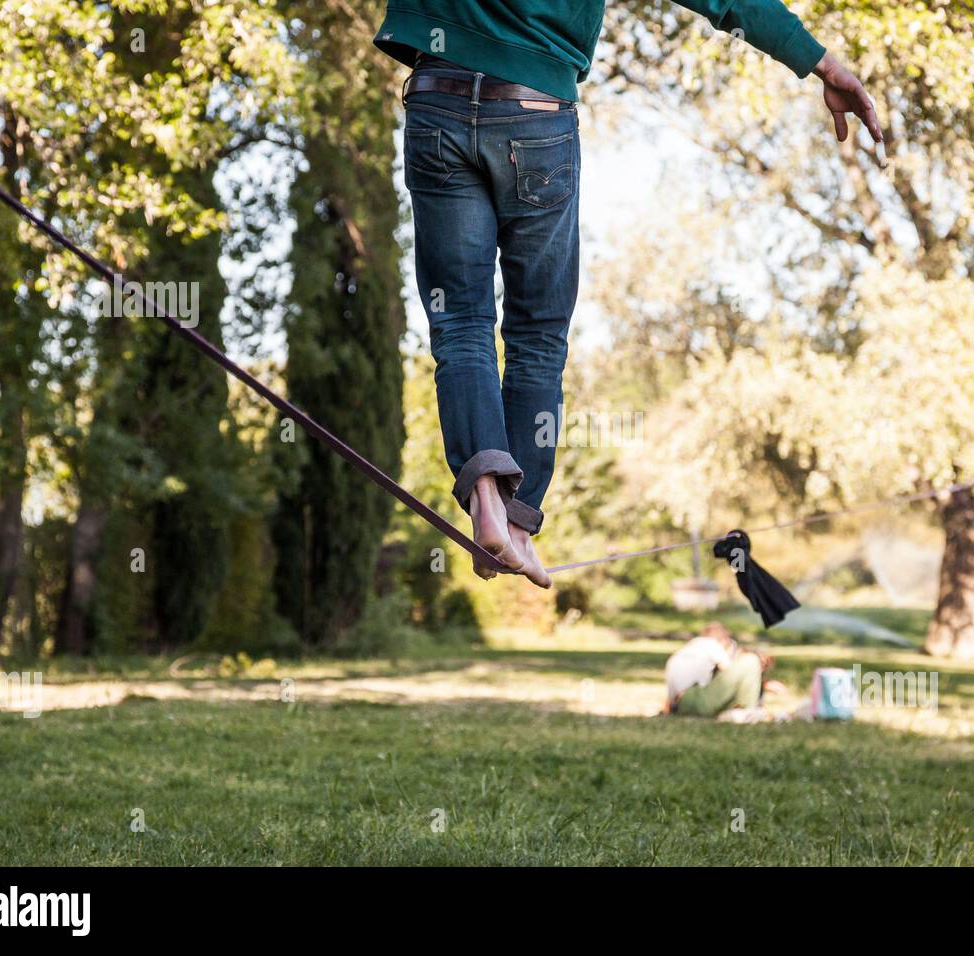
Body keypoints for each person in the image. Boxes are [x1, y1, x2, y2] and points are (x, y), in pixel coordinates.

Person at [375, 3, 883, 588]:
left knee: (460, 321)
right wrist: (819, 62)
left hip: (438, 98)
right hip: (536, 107)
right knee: (536, 334)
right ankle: (516, 523)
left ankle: (487, 490)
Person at [664, 622, 780, 719]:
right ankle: (747, 713)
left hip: (681, 705)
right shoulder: (712, 644)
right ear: (723, 638)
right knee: (750, 660)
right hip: (694, 698)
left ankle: (742, 711)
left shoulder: (691, 647)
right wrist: (764, 684)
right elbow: (730, 671)